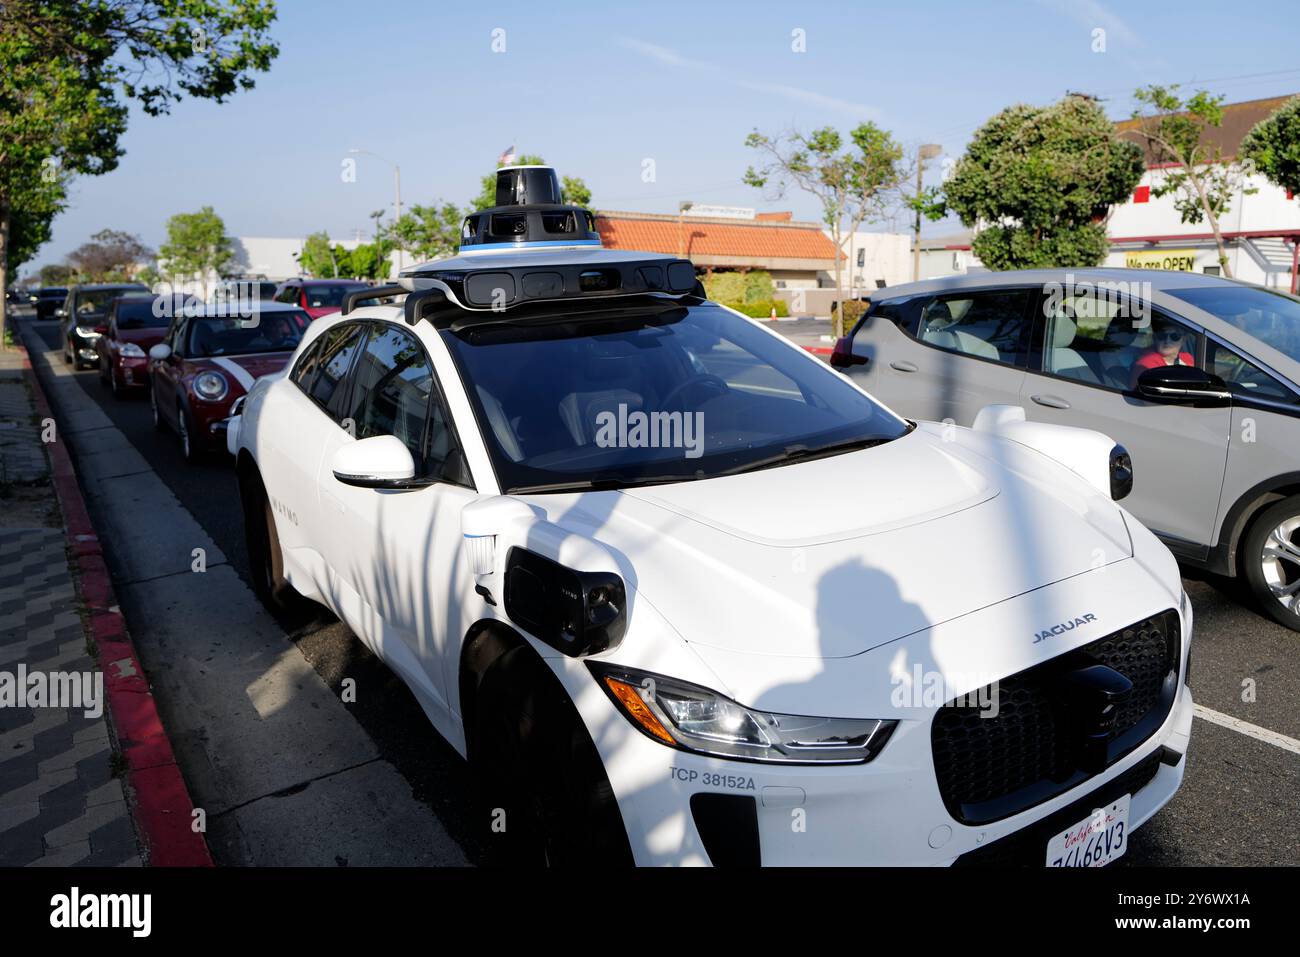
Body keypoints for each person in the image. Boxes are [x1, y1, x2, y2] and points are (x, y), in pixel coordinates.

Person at [1129, 322, 1196, 389]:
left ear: (1184, 339)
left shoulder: (1188, 358)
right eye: (1162, 335)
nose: (1167, 340)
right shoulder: (1145, 365)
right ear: (1155, 338)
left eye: (1175, 336)